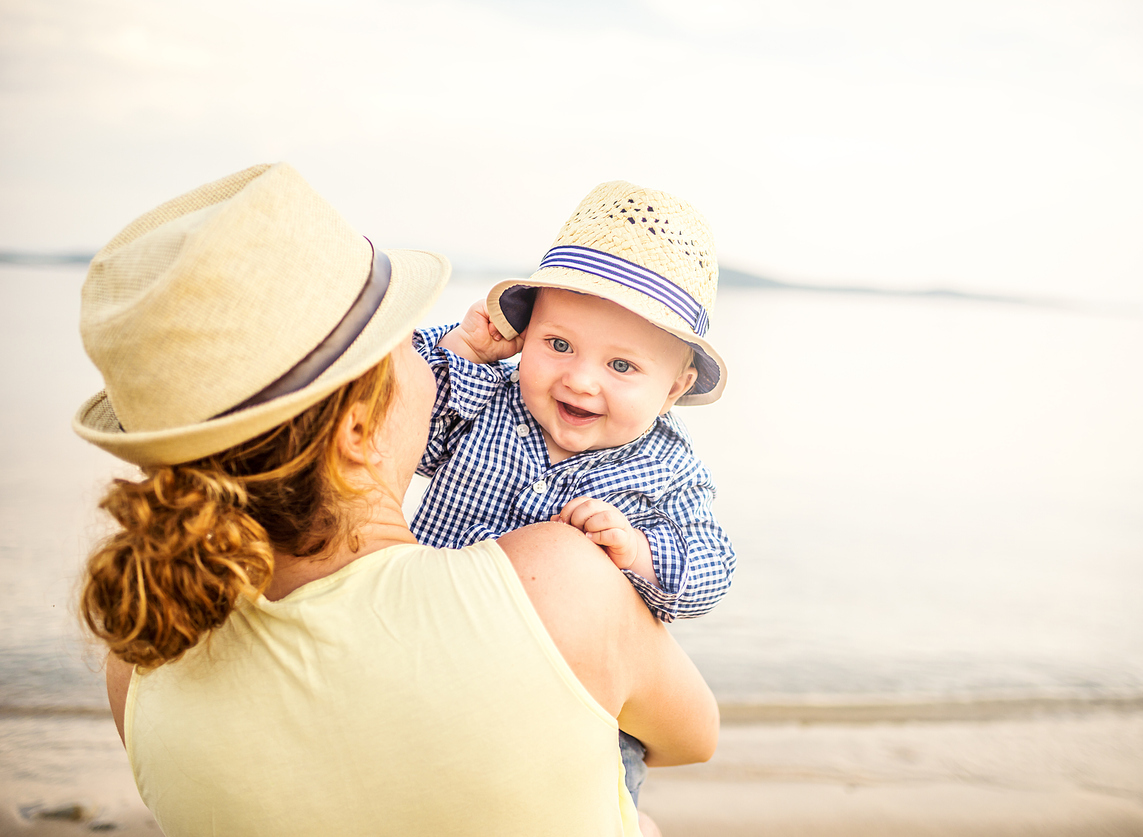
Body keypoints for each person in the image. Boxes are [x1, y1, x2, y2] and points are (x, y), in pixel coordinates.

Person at [73, 163, 718, 837]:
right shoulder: (563, 584)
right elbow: (693, 736)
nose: (433, 350)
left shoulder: (141, 650)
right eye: (407, 339)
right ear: (357, 429)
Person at [407, 181, 736, 804]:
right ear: (524, 336)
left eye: (622, 366)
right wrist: (465, 348)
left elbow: (713, 570)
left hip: (576, 708)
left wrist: (638, 549)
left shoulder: (669, 469)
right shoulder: (488, 398)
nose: (580, 379)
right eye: (558, 345)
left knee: (585, 802)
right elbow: (402, 405)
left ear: (674, 387)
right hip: (440, 655)